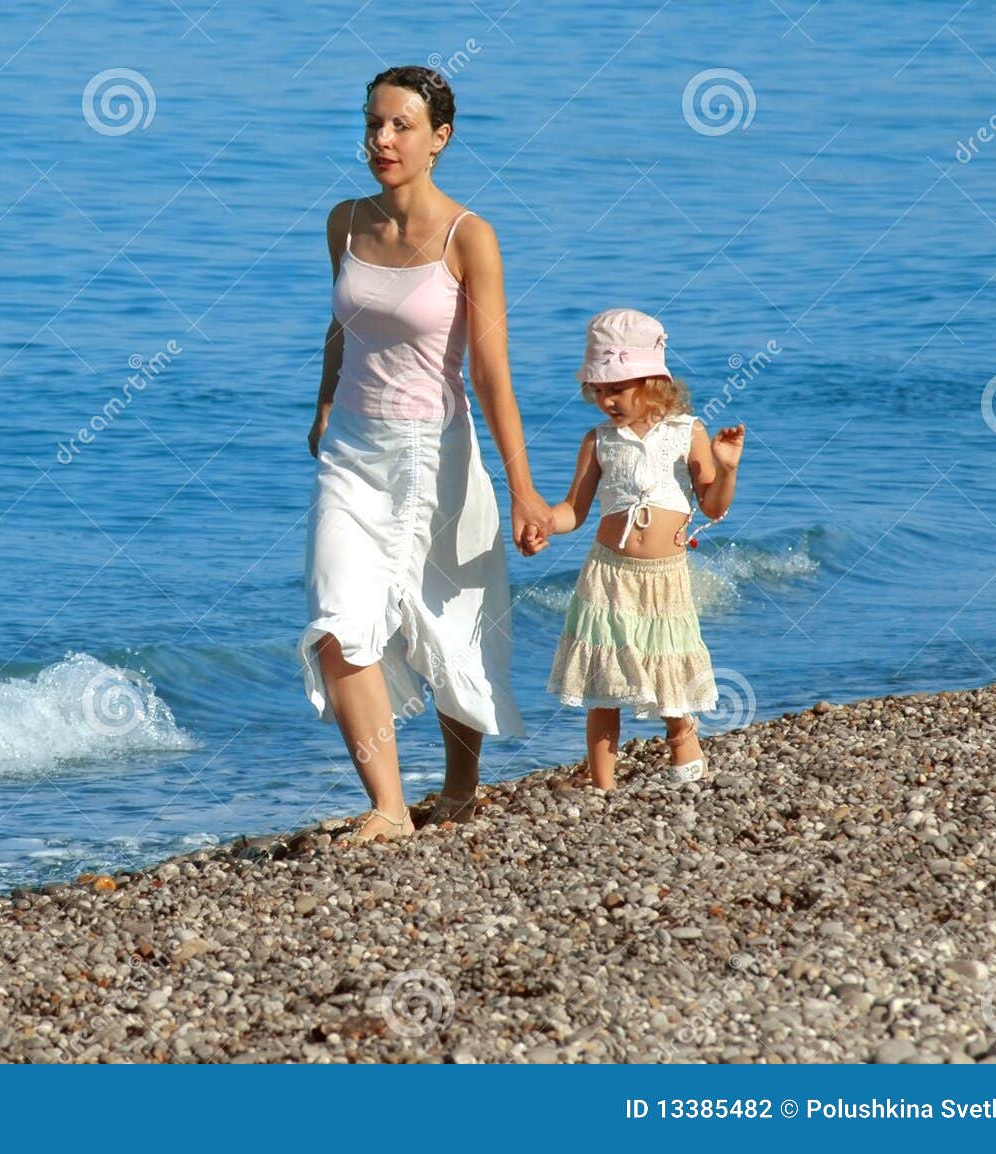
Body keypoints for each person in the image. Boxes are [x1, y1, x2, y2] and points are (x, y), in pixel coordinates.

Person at [301, 65, 555, 842]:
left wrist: (524, 490)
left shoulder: (468, 237)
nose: (381, 139)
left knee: (450, 625)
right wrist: (320, 407)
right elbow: (342, 326)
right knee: (337, 621)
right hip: (350, 452)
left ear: (439, 139)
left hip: (433, 455)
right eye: (373, 122)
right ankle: (386, 805)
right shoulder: (345, 221)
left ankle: (458, 786)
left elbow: (489, 373)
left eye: (400, 126)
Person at [543, 308, 745, 790]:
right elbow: (575, 508)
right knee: (603, 682)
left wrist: (726, 467)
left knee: (669, 674)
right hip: (608, 574)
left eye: (618, 388)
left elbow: (713, 507)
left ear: (654, 382)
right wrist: (544, 522)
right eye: (599, 389)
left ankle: (684, 751)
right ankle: (603, 785)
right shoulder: (598, 441)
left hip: (664, 578)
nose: (607, 399)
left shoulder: (686, 432)